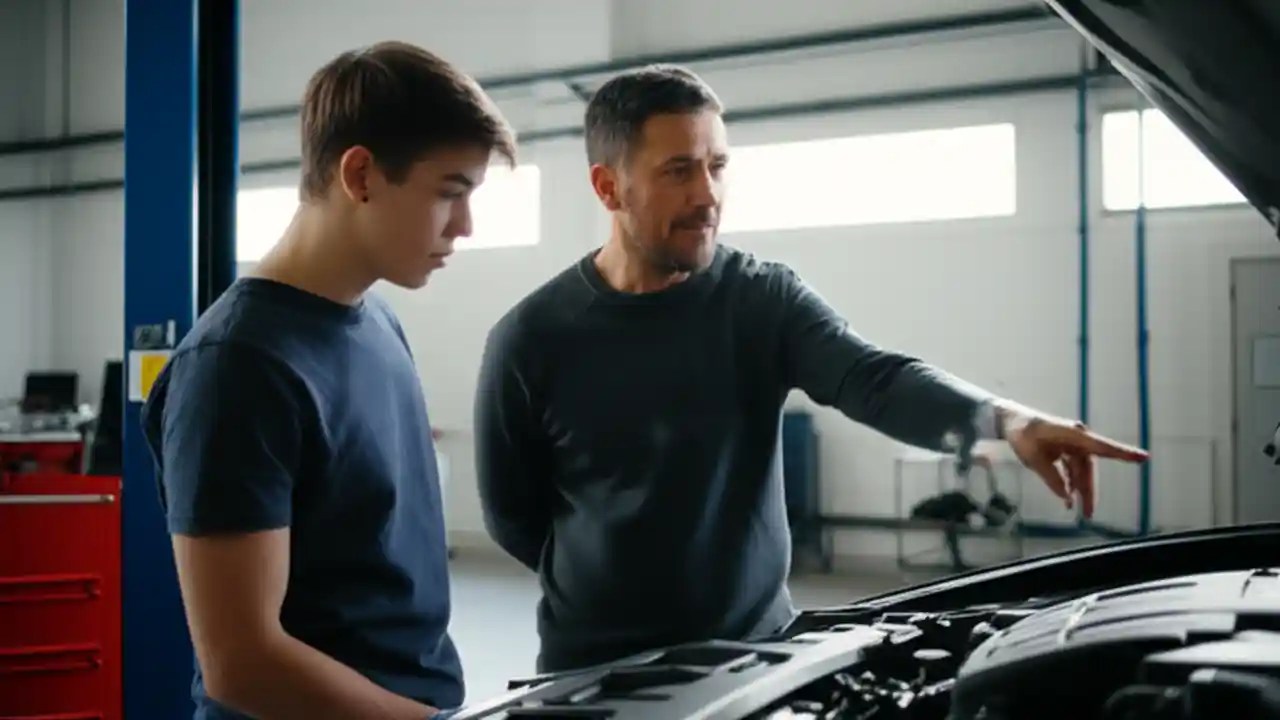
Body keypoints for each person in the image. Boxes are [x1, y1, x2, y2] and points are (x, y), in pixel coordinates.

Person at [473, 64, 1149, 674]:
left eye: (717, 166)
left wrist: (1006, 421)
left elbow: (875, 379)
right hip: (593, 675)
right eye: (678, 171)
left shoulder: (761, 300)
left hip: (752, 657)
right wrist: (609, 584)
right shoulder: (531, 339)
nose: (708, 194)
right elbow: (513, 519)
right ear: (608, 187)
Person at [142, 41, 515, 720]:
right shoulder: (237, 367)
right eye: (449, 193)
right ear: (361, 174)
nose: (465, 226)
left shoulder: (378, 321)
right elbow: (242, 665)